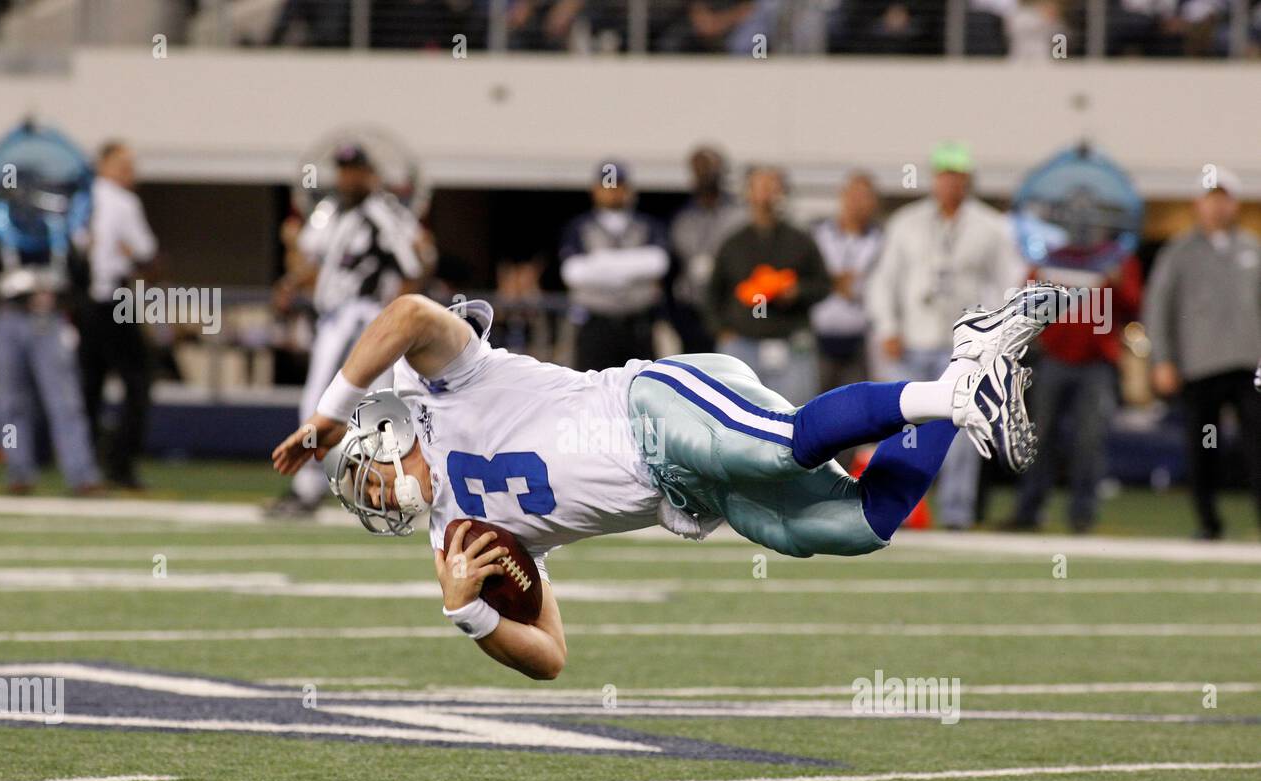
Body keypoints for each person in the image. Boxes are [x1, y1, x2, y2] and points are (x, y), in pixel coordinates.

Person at [271, 283, 1068, 679]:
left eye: (368, 479)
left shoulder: (452, 384)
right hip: (687, 492)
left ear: (385, 427)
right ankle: (971, 358)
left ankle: (956, 396)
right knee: (854, 525)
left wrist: (326, 409)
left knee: (776, 446)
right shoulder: (459, 542)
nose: (378, 496)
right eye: (368, 501)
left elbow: (408, 312)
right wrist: (471, 615)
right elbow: (551, 654)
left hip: (653, 406)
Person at [866, 141, 1026, 528]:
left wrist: (995, 332)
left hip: (964, 346)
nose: (951, 183)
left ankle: (956, 512)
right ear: (935, 179)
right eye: (944, 175)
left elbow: (1011, 281)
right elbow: (883, 282)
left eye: (958, 176)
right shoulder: (905, 223)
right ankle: (900, 509)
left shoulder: (991, 226)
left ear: (967, 180)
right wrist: (887, 326)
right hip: (911, 340)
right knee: (904, 428)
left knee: (961, 430)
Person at [266, 143, 425, 518]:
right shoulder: (338, 213)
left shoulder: (383, 214)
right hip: (336, 318)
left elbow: (411, 265)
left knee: (363, 405)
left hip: (363, 319)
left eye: (355, 170)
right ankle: (328, 488)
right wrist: (291, 283)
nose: (347, 177)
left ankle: (395, 488)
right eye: (343, 170)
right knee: (338, 403)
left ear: (370, 174)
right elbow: (321, 260)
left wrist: (399, 323)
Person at [0, 122, 102, 496]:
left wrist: (65, 297)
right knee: (11, 403)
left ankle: (81, 473)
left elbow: (80, 276)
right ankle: (19, 471)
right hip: (9, 316)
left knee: (64, 401)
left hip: (48, 318)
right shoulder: (1, 227)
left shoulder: (58, 230)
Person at [1144, 170, 1261, 540]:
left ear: (1234, 204)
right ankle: (1208, 521)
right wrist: (1163, 358)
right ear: (1198, 204)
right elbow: (1158, 307)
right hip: (1200, 366)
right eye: (1210, 197)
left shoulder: (1252, 248)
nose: (1216, 205)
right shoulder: (1179, 251)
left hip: (1249, 366)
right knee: (1204, 445)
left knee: (1257, 446)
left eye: (1223, 197)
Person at [1009, 255, 1142, 532]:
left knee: (1089, 439)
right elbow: (1025, 303)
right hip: (1052, 359)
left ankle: (1082, 514)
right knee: (1037, 436)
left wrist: (1117, 285)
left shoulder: (1117, 258)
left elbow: (1134, 307)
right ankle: (1028, 509)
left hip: (1097, 363)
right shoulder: (1050, 255)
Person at [706, 165, 831, 406]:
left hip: (790, 341)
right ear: (748, 193)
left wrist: (797, 293)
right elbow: (713, 292)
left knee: (792, 412)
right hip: (743, 342)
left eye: (772, 187)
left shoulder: (800, 240)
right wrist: (720, 328)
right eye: (760, 186)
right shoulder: (734, 242)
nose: (766, 194)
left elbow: (823, 285)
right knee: (737, 411)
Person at [82, 141, 158, 490]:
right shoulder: (123, 202)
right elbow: (146, 250)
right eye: (124, 165)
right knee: (138, 381)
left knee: (89, 385)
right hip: (114, 299)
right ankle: (119, 462)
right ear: (105, 165)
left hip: (82, 301)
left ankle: (84, 461)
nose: (132, 173)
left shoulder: (80, 198)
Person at [558, 159, 669, 371]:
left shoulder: (646, 225)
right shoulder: (580, 227)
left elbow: (657, 263)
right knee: (592, 386)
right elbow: (573, 273)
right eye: (606, 186)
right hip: (596, 323)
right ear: (595, 190)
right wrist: (633, 266)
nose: (612, 192)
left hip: (638, 322)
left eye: (618, 186)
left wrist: (601, 263)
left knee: (641, 385)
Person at [809, 172, 883, 392]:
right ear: (842, 197)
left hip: (860, 336)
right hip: (819, 335)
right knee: (813, 404)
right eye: (853, 196)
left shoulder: (881, 238)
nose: (858, 204)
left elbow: (881, 281)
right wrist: (834, 281)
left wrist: (854, 285)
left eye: (865, 197)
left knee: (854, 407)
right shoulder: (818, 233)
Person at [669, 146, 744, 354]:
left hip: (728, 307)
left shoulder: (738, 214)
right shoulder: (683, 218)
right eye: (699, 169)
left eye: (709, 168)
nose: (704, 175)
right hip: (692, 309)